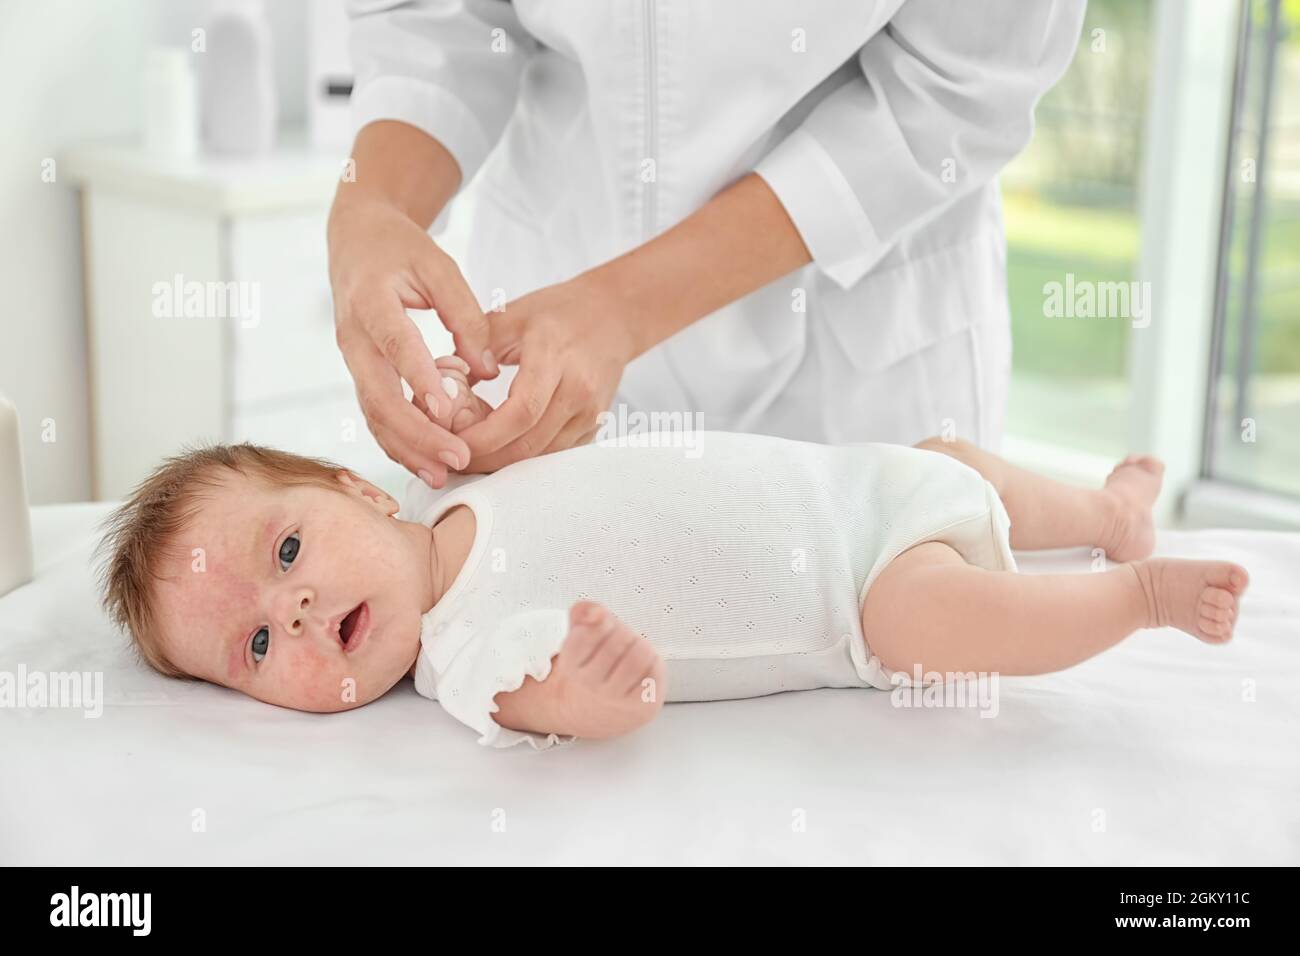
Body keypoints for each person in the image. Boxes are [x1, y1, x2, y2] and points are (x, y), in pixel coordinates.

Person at [98, 367, 1248, 750]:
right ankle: (1131, 592)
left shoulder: (459, 480)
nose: (295, 607)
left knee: (949, 459)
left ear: (356, 483)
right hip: (855, 593)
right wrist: (589, 691)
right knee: (931, 626)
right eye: (254, 643)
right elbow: (578, 703)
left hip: (855, 478)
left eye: (285, 547)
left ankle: (1108, 512)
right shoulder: (462, 655)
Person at [327, 0, 1088, 486]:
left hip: (848, 389)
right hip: (537, 342)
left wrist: (624, 307)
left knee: (868, 664)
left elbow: (962, 87)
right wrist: (375, 204)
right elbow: (437, 17)